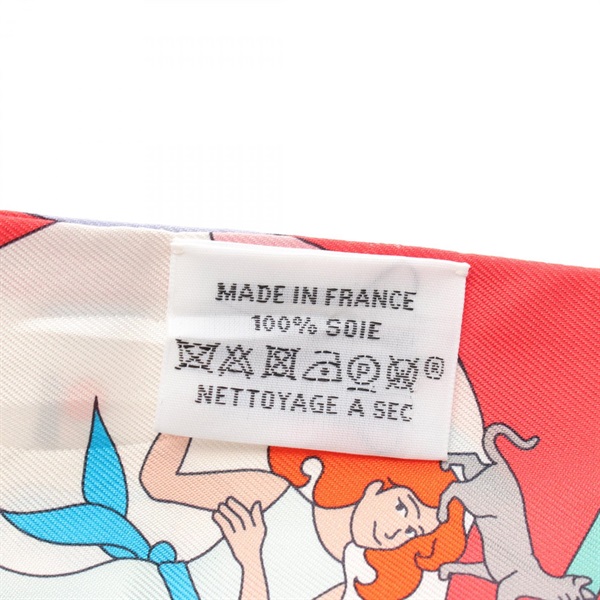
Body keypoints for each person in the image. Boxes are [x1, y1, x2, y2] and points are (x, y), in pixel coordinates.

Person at [140, 434, 466, 600]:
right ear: (377, 485)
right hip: (147, 586)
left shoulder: (335, 588)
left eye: (412, 532)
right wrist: (191, 399)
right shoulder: (274, 494)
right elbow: (159, 482)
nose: (399, 531)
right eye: (403, 508)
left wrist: (250, 560)